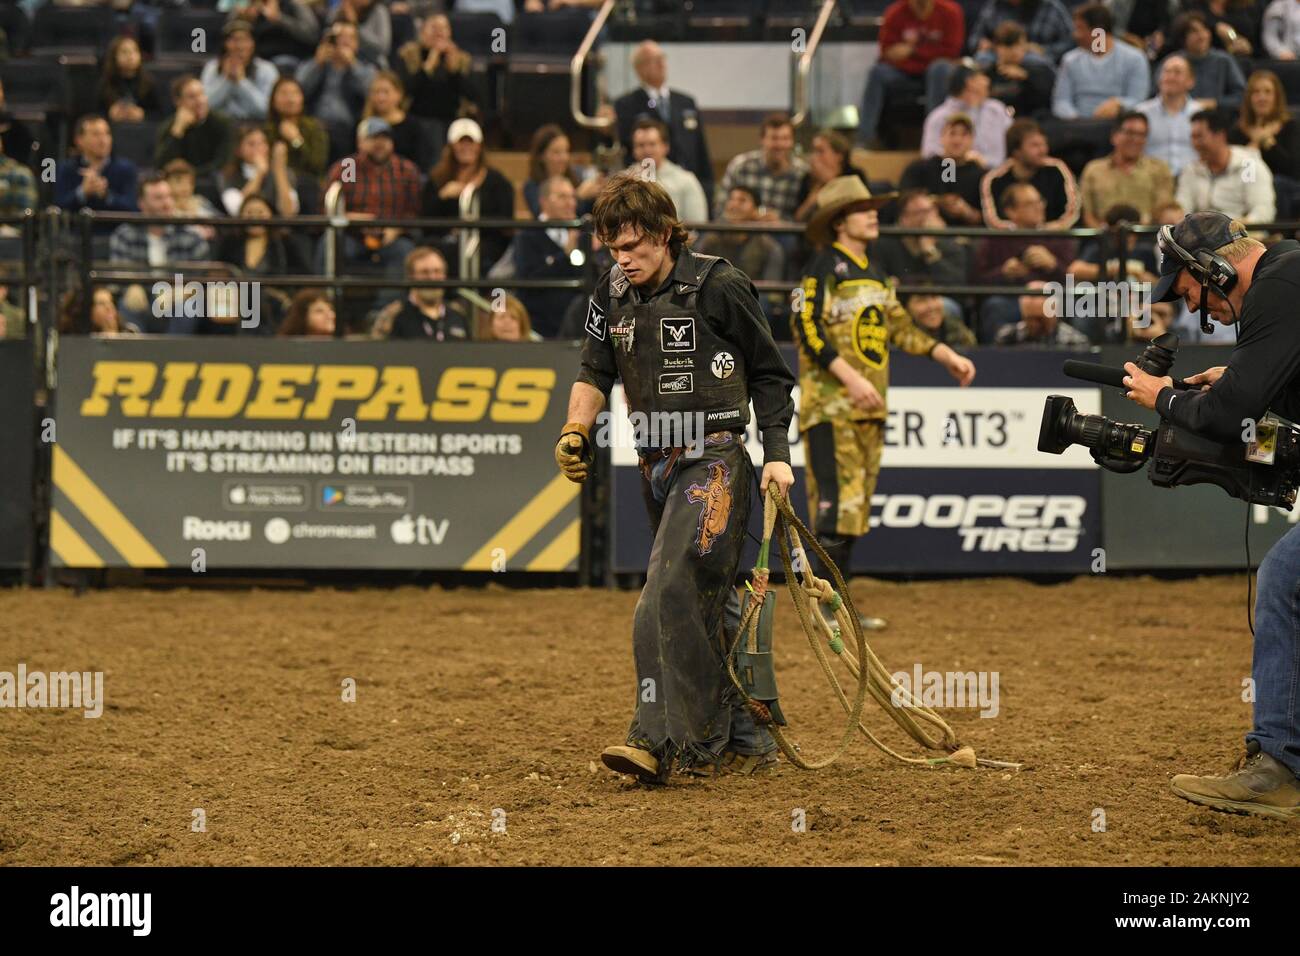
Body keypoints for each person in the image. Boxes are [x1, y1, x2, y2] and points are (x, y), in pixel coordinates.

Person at [557, 172, 798, 783]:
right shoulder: (610, 293)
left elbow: (770, 373)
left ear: (665, 234)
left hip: (713, 459)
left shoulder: (721, 286)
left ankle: (660, 740)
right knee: (709, 600)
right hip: (656, 465)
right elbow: (594, 371)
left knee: (665, 591)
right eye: (613, 248)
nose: (623, 259)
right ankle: (749, 738)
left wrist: (776, 453)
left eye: (633, 245)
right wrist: (575, 430)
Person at [1120, 210, 1300, 819]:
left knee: (1287, 580)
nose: (1195, 307)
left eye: (1189, 290)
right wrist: (1242, 381)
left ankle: (1280, 768)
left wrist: (1164, 398)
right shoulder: (1288, 273)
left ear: (1215, 269)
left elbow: (1228, 417)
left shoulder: (1280, 285)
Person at [794, 176, 975, 629]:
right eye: (863, 209)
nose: (874, 214)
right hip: (832, 408)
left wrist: (944, 354)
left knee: (853, 509)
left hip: (868, 409)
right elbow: (806, 327)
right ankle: (826, 608)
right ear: (839, 221)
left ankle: (837, 606)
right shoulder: (822, 269)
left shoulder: (874, 273)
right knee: (834, 506)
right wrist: (850, 377)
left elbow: (899, 327)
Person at [855, 0, 966, 149]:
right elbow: (888, 52)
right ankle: (865, 139)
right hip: (904, 73)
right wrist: (928, 52)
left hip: (934, 74)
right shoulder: (895, 12)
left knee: (940, 69)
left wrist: (913, 50)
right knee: (877, 72)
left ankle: (934, 137)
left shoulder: (950, 11)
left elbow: (951, 52)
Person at [973, 182, 1077, 340]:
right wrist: (1003, 273)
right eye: (1030, 204)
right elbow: (976, 281)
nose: (1038, 207)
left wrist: (1053, 265)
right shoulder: (995, 239)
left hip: (1053, 297)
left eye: (1040, 201)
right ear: (1011, 211)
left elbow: (1074, 278)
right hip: (1011, 299)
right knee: (994, 306)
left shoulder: (1058, 238)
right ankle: (996, 352)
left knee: (1079, 305)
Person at [614, 40, 713, 201]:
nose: (661, 64)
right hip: (649, 189)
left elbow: (700, 149)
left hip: (688, 186)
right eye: (654, 60)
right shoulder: (626, 105)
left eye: (662, 58)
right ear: (639, 68)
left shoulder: (685, 102)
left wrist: (707, 189)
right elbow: (628, 148)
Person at [421, 117, 515, 274]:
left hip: (486, 242)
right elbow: (426, 221)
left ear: (479, 146)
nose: (466, 148)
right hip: (447, 241)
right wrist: (442, 197)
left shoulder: (498, 182)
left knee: (473, 252)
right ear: (451, 146)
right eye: (461, 143)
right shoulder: (437, 180)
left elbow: (505, 221)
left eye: (471, 143)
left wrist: (471, 224)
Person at [695, 185, 785, 322]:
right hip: (714, 300)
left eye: (742, 200)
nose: (734, 204)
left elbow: (772, 294)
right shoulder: (710, 240)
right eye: (731, 199)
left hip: (752, 305)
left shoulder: (769, 247)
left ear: (756, 210)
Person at [1051, 4, 1151, 121]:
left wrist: (1120, 104)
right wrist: (1074, 117)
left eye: (1080, 29)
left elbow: (1139, 99)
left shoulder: (1135, 58)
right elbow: (1061, 101)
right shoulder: (1070, 60)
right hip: (1077, 124)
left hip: (1117, 122)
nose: (1075, 35)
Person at [295, 21, 377, 163]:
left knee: (346, 165)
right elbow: (298, 89)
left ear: (357, 44)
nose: (343, 42)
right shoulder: (316, 64)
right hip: (315, 127)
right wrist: (317, 63)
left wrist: (353, 65)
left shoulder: (366, 69)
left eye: (350, 38)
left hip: (348, 131)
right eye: (339, 37)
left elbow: (370, 92)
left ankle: (346, 176)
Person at [1177, 109, 1276, 224]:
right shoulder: (1191, 170)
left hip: (1242, 231)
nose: (1195, 143)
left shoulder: (1248, 166)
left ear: (1220, 135)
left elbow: (1263, 212)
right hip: (1201, 233)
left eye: (1199, 137)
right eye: (1192, 137)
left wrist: (1233, 227)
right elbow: (1182, 209)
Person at [514, 175, 584, 339]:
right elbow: (530, 281)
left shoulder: (582, 235)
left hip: (577, 328)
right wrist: (565, 254)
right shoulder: (527, 236)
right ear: (544, 202)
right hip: (541, 327)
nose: (570, 203)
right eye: (562, 197)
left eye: (572, 197)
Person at [1078, 112, 1174, 226]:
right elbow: (1087, 214)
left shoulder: (1159, 169)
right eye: (1130, 133)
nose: (1135, 139)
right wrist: (1103, 231)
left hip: (1146, 234)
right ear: (1114, 136)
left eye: (1142, 135)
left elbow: (1163, 211)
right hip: (1102, 234)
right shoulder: (1093, 170)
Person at [980, 118, 1079, 229]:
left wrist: (1046, 230)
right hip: (1009, 238)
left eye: (1044, 144)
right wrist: (1020, 231)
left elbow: (1071, 212)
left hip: (1053, 235)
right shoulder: (995, 179)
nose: (1043, 150)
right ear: (1016, 151)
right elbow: (992, 220)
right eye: (1034, 145)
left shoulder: (1056, 169)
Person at [714, 113, 809, 223]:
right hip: (742, 229)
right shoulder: (740, 166)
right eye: (774, 138)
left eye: (785, 138)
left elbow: (806, 221)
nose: (779, 145)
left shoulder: (802, 173)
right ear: (762, 140)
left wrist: (780, 223)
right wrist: (747, 216)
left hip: (783, 231)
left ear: (792, 141)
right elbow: (719, 211)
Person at [1230, 70, 1300, 217]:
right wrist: (1254, 143)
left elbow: (1292, 170)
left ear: (1276, 97)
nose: (1262, 97)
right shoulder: (1238, 131)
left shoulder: (1290, 126)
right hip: (1247, 184)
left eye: (1268, 92)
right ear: (1249, 98)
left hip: (1282, 184)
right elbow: (1244, 174)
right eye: (1256, 92)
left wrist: (1267, 142)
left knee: (1276, 183)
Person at [900, 113, 985, 225]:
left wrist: (966, 212)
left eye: (964, 134)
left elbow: (988, 219)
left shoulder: (981, 176)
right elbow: (903, 203)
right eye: (952, 133)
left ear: (972, 140)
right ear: (941, 137)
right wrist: (935, 203)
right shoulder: (919, 169)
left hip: (968, 232)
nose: (957, 140)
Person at [920, 65, 1013, 167]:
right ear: (970, 83)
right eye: (981, 77)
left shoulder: (996, 109)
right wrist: (960, 158)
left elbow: (1015, 139)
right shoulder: (939, 117)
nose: (987, 81)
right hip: (954, 172)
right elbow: (930, 154)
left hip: (997, 173)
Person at [371, 245, 470, 340]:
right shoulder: (393, 314)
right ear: (411, 277)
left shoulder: (457, 314)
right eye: (424, 272)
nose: (432, 278)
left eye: (437, 271)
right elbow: (378, 350)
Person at [395, 13, 475, 131]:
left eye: (443, 28)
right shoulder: (407, 55)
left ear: (450, 33)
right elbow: (402, 91)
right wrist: (427, 68)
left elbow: (472, 96)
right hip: (415, 119)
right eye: (434, 27)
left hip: (453, 120)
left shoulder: (462, 59)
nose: (439, 32)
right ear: (422, 32)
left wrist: (455, 72)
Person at [1158, 12, 1248, 114]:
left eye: (1204, 30)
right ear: (1183, 38)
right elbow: (1156, 93)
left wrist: (1215, 103)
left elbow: (1242, 96)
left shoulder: (1223, 60)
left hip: (1216, 116)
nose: (1201, 36)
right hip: (1178, 114)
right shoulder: (1172, 62)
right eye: (1194, 32)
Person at [54, 115, 138, 214]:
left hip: (114, 224)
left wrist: (106, 195)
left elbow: (132, 207)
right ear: (79, 140)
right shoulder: (66, 168)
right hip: (77, 223)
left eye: (107, 134)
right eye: (96, 134)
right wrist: (83, 192)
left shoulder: (126, 169)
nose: (103, 141)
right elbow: (57, 206)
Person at [156, 76, 235, 180]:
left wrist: (191, 174)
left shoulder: (223, 123)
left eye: (202, 94)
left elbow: (223, 163)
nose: (200, 101)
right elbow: (160, 165)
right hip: (179, 184)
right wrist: (178, 131)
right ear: (178, 102)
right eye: (192, 97)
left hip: (212, 182)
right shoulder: (170, 126)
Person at [630, 118, 707, 225]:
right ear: (633, 150)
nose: (647, 150)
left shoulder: (686, 180)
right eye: (641, 145)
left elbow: (697, 226)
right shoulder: (623, 180)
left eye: (652, 144)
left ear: (665, 147)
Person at [201, 19, 279, 122]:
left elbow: (267, 111)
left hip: (255, 124)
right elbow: (204, 107)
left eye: (245, 40)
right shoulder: (212, 67)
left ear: (253, 44)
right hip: (219, 125)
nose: (240, 46)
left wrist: (241, 81)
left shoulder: (267, 69)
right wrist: (227, 79)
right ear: (225, 43)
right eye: (234, 40)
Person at [1136, 55, 1202, 177]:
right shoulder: (1141, 113)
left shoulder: (1201, 114)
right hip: (1151, 179)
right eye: (1166, 72)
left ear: (1191, 81)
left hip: (1192, 179)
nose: (1170, 77)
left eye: (1177, 72)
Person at [524, 124, 603, 218]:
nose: (564, 158)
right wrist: (578, 196)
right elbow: (542, 214)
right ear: (541, 156)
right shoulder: (532, 185)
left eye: (566, 151)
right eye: (556, 152)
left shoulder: (578, 175)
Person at [219, 124, 299, 217]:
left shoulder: (284, 172)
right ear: (239, 149)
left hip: (276, 225)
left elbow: (289, 212)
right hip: (244, 225)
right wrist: (259, 173)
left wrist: (279, 171)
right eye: (251, 144)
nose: (258, 148)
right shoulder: (229, 175)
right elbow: (236, 210)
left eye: (263, 143)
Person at [793, 128, 869, 225]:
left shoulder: (855, 175)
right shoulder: (808, 178)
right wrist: (815, 192)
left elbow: (863, 208)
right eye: (813, 151)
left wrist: (829, 181)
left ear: (839, 155)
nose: (814, 157)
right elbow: (798, 218)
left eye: (820, 151)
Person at [363, 71, 435, 172]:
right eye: (376, 92)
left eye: (386, 92)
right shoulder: (363, 125)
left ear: (399, 94)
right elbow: (351, 160)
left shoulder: (413, 126)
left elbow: (424, 160)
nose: (381, 98)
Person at [966, 0, 1076, 65]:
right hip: (999, 57)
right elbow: (974, 39)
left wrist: (1044, 50)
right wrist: (983, 44)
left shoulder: (1050, 6)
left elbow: (1071, 41)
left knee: (1036, 61)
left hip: (1035, 60)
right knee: (982, 58)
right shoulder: (995, 5)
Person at [987, 21, 1054, 120]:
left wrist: (1027, 76)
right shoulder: (989, 73)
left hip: (1031, 120)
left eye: (1020, 45)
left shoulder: (1038, 68)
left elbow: (1048, 97)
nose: (1016, 51)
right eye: (1009, 46)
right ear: (998, 48)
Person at [264, 77, 328, 179]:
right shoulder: (266, 130)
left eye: (295, 93)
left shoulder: (314, 128)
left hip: (307, 182)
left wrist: (296, 140)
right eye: (284, 94)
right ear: (273, 100)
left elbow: (317, 165)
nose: (290, 99)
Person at [99, 35, 164, 122]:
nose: (130, 56)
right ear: (114, 56)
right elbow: (95, 114)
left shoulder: (150, 83)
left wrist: (142, 114)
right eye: (124, 52)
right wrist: (109, 114)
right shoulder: (106, 83)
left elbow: (160, 115)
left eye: (134, 51)